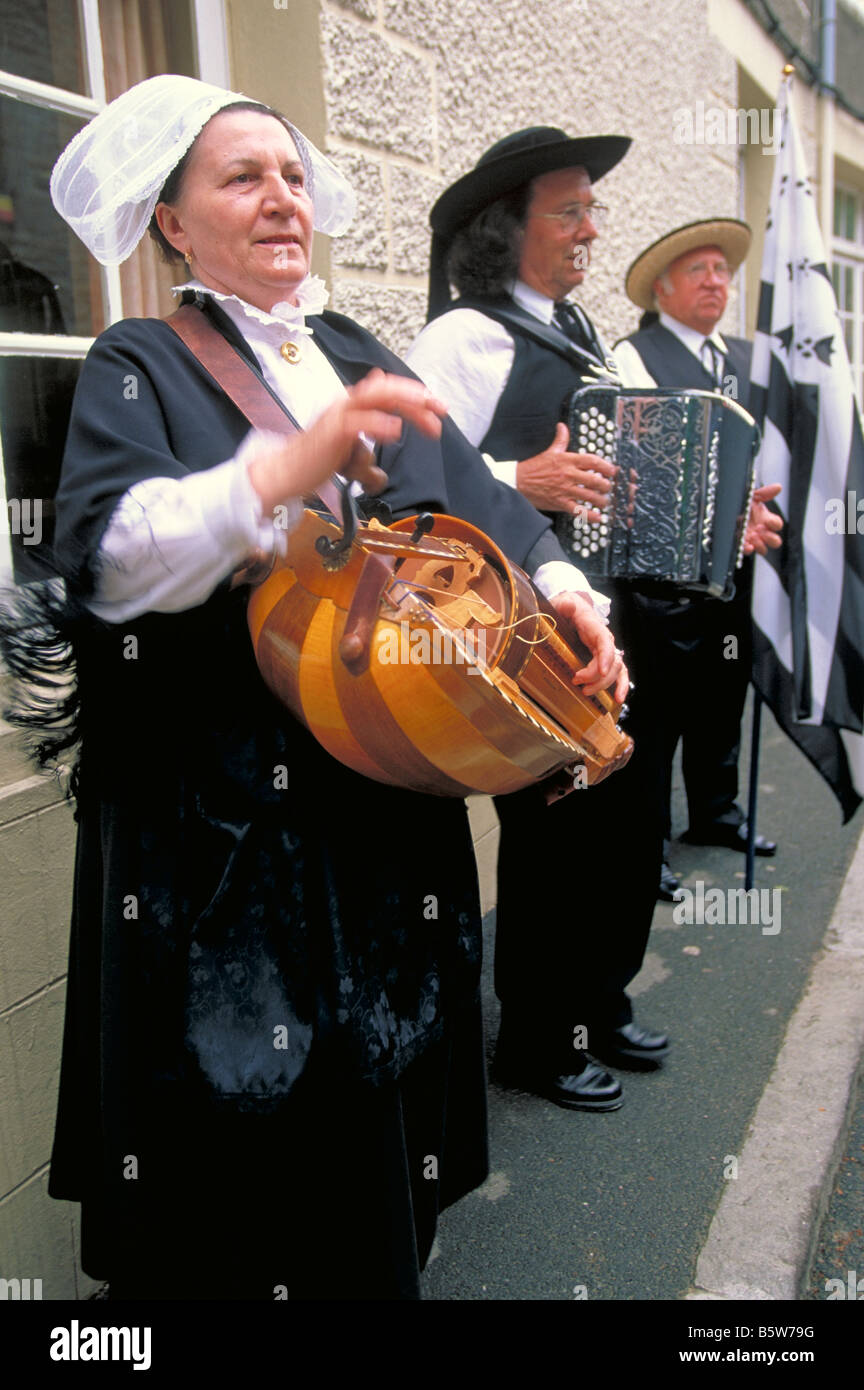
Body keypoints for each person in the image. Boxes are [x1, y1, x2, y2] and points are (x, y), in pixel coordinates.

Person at [3, 79, 626, 1301]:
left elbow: (486, 509)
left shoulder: (352, 348)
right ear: (173, 223)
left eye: (289, 174)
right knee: (250, 1150)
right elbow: (114, 555)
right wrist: (281, 467)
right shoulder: (139, 360)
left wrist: (564, 596)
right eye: (241, 178)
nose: (281, 196)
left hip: (378, 808)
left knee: (377, 1125)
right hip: (230, 833)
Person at [407, 129, 781, 1112]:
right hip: (522, 631)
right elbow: (409, 485)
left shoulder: (577, 328)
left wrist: (719, 520)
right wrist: (509, 478)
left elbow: (635, 477)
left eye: (589, 208)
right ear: (508, 227)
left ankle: (599, 1001)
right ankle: (537, 1034)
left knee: (621, 827)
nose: (590, 227)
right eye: (568, 209)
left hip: (614, 625)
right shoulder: (462, 338)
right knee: (553, 842)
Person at [612, 220, 781, 873]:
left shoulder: (745, 360)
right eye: (698, 271)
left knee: (722, 694)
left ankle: (718, 813)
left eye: (722, 271)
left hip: (737, 567)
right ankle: (645, 845)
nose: (715, 281)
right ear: (661, 289)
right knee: (655, 715)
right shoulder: (634, 356)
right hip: (665, 578)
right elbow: (641, 463)